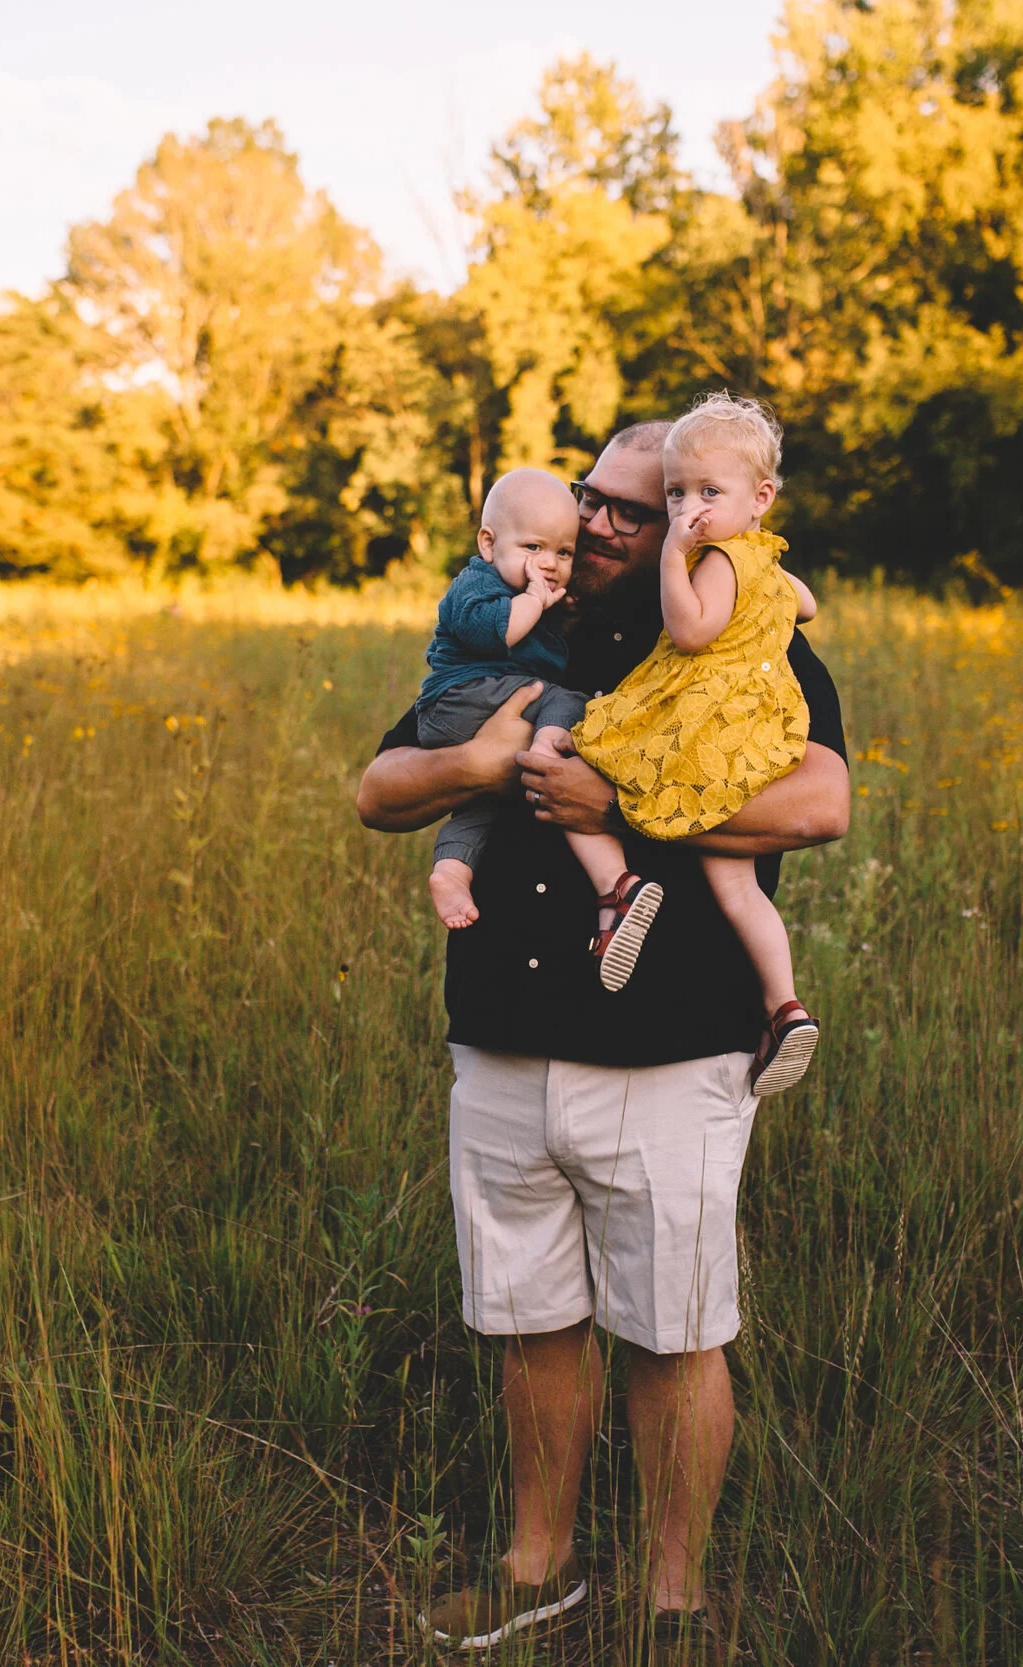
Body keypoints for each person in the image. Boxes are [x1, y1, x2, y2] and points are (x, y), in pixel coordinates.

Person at [355, 419, 851, 1656]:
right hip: (503, 1035)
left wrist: (621, 802)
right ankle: (539, 1565)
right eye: (599, 501)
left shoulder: (747, 631)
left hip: (669, 1046)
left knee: (675, 1333)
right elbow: (378, 789)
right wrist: (470, 758)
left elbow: (820, 801)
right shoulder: (505, 614)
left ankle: (670, 1599)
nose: (611, 525)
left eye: (642, 507)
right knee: (530, 1321)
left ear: (697, 510)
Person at [573, 394, 820, 1095]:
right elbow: (807, 604)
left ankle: (615, 892)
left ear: (760, 497)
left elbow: (688, 631)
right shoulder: (768, 565)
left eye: (709, 492)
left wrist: (675, 557)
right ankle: (785, 1005)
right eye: (677, 494)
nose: (690, 510)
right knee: (736, 879)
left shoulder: (709, 559)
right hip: (756, 733)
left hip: (697, 726)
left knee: (578, 756)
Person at [414, 467, 665, 992]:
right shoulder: (474, 586)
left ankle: (452, 871)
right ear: (488, 543)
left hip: (478, 708)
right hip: (461, 702)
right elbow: (499, 631)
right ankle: (552, 748)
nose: (548, 565)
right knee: (567, 700)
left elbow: (538, 633)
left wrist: (556, 610)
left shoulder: (530, 588)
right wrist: (534, 600)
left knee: (483, 805)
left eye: (563, 554)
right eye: (533, 548)